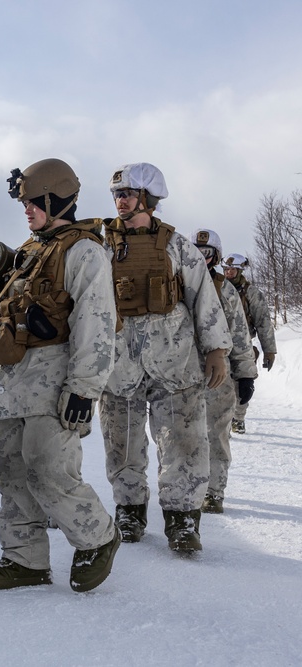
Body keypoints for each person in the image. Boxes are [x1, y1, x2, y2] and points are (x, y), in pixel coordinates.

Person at [0, 158, 120, 592]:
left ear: (55, 198)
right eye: (24, 202)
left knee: (49, 468)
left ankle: (98, 537)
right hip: (14, 382)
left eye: (32, 202)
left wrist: (84, 389)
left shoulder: (84, 252)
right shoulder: (29, 252)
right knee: (10, 470)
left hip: (56, 383)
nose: (26, 210)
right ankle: (25, 560)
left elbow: (97, 323)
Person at [99, 163, 231, 554]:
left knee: (185, 442)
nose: (120, 201)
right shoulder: (100, 246)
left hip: (175, 361)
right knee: (120, 442)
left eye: (127, 193)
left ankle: (183, 520)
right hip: (119, 362)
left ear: (149, 199)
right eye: (116, 195)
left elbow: (203, 299)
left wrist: (217, 350)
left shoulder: (178, 247)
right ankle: (129, 511)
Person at [192, 230, 257, 514]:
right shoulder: (176, 283)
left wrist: (245, 374)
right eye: (196, 252)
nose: (201, 259)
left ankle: (214, 492)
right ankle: (184, 487)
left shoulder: (225, 290)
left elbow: (241, 335)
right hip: (179, 374)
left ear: (216, 257)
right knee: (179, 436)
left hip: (219, 375)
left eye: (207, 253)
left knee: (216, 434)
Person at [223, 253, 278, 433]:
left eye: (232, 270)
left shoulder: (252, 293)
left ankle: (238, 419)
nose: (229, 272)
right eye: (226, 269)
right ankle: (222, 420)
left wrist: (269, 350)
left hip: (244, 346)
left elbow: (263, 322)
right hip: (219, 344)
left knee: (242, 385)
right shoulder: (216, 288)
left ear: (240, 271)